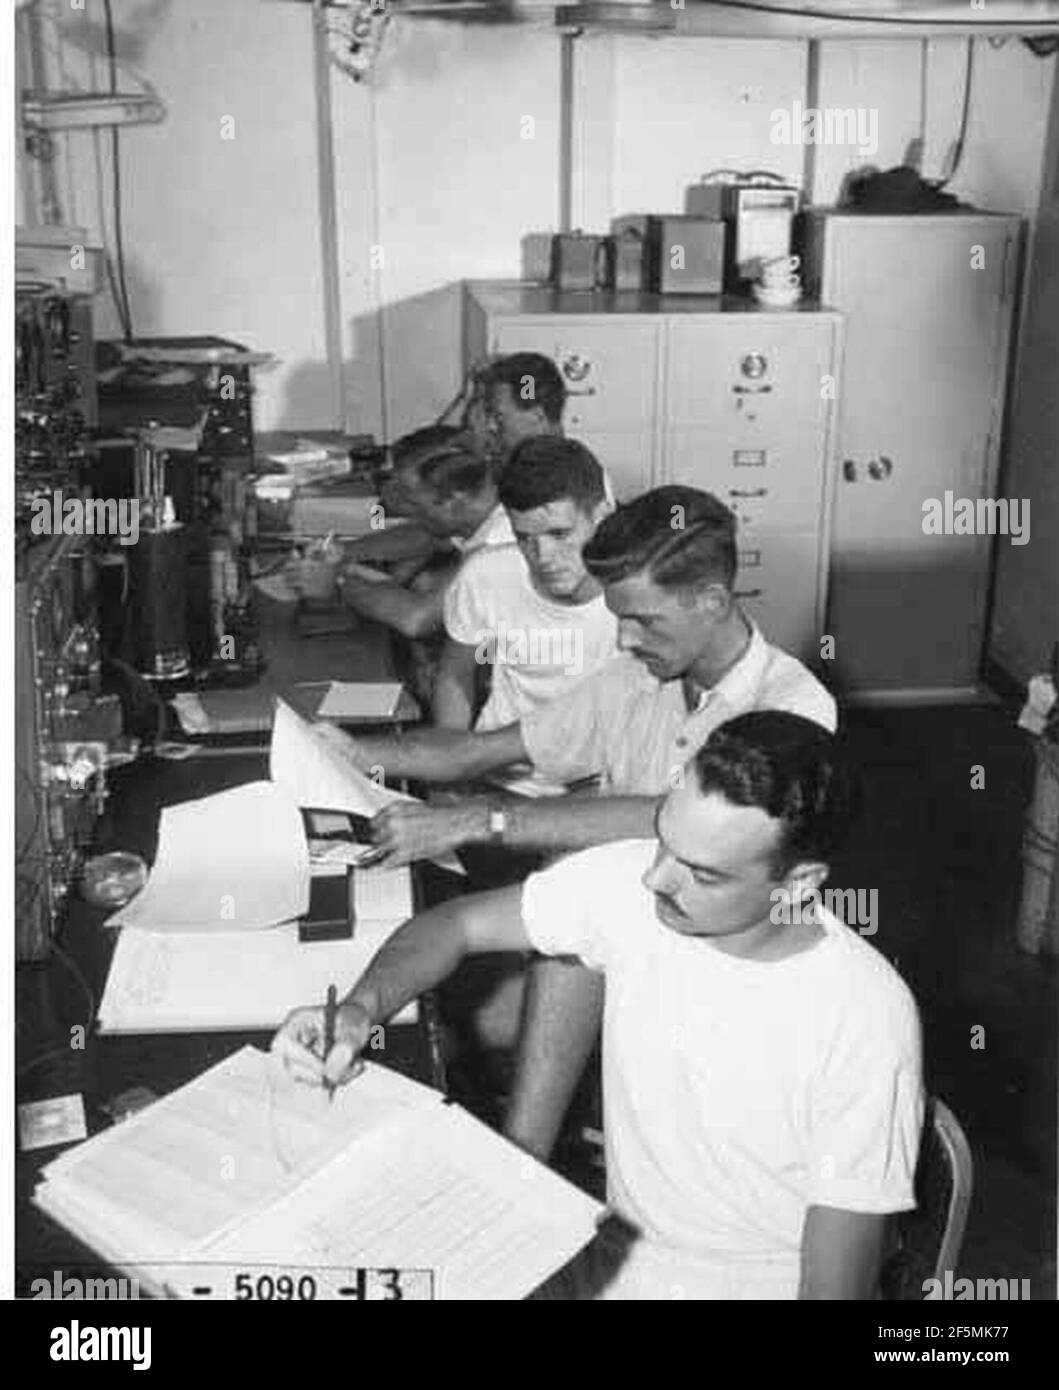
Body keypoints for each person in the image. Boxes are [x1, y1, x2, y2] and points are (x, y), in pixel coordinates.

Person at [274, 712, 923, 1300]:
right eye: (664, 838)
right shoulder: (633, 885)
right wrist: (360, 1010)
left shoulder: (861, 1015)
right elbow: (455, 927)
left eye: (703, 873)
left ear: (799, 882)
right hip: (618, 1251)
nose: (655, 878)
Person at [312, 485, 838, 1159]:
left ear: (710, 601)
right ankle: (532, 1152)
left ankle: (536, 1152)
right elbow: (487, 748)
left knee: (482, 1009)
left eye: (643, 619)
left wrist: (480, 819)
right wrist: (358, 753)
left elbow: (664, 821)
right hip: (613, 907)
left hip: (712, 949)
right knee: (465, 978)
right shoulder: (640, 673)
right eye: (618, 616)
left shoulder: (792, 710)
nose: (622, 637)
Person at [434, 435, 616, 737]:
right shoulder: (485, 575)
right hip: (496, 771)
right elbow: (456, 673)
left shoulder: (643, 595)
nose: (543, 557)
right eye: (525, 538)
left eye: (559, 534)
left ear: (602, 513)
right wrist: (452, 755)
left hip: (603, 778)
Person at [335, 426, 510, 643]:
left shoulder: (499, 544)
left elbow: (416, 619)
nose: (411, 513)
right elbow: (426, 535)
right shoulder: (480, 512)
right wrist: (339, 552)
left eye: (416, 504)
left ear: (453, 502)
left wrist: (337, 582)